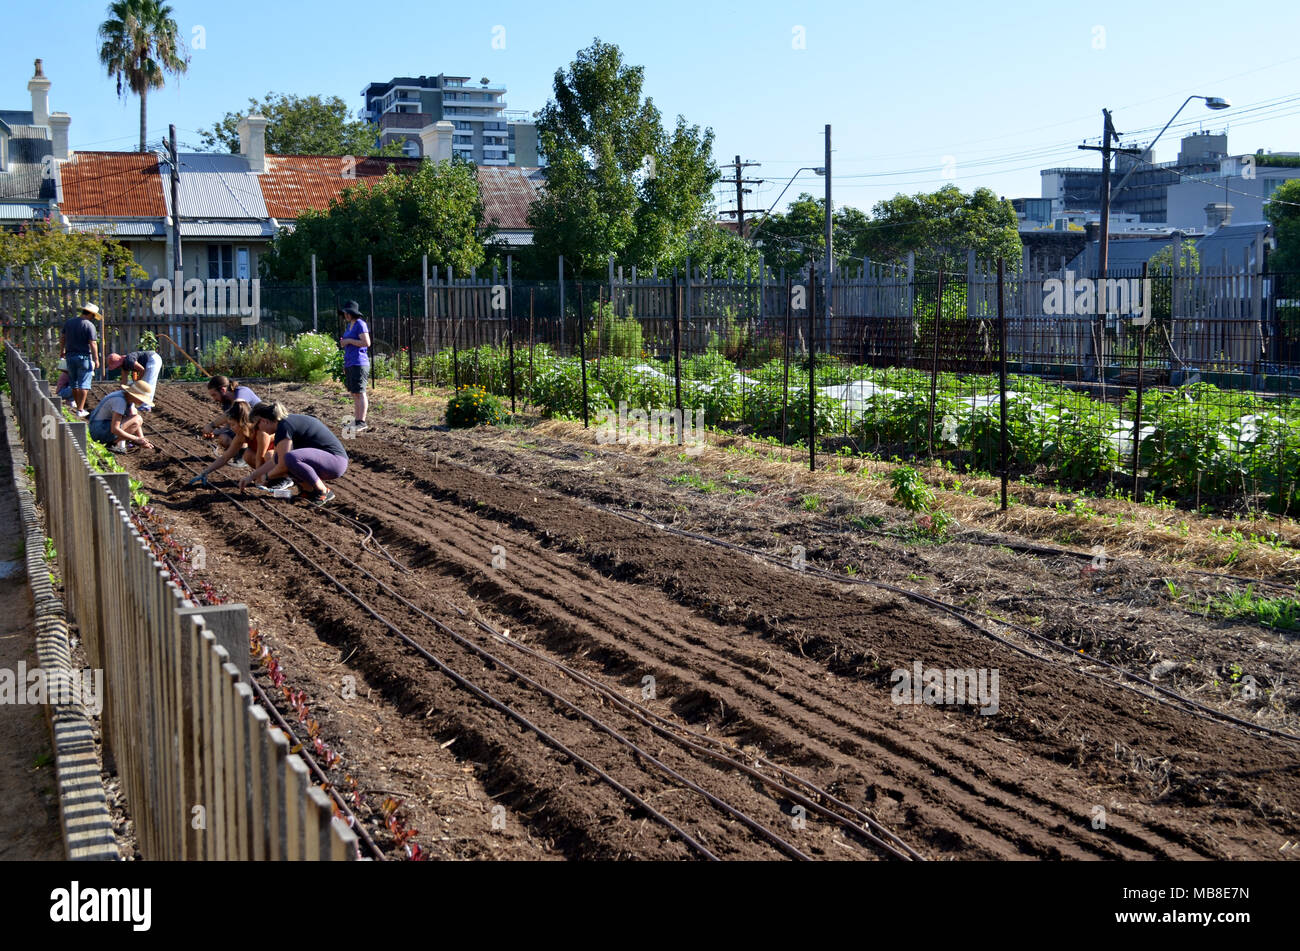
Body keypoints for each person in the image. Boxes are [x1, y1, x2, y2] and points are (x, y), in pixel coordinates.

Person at [240, 401, 347, 506]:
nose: (258, 430)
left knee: (291, 458)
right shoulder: (284, 425)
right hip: (328, 461)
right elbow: (275, 461)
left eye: (256, 427)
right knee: (281, 458)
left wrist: (266, 477)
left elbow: (283, 466)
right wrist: (252, 476)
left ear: (264, 421)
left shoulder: (285, 426)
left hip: (335, 462)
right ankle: (308, 491)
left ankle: (323, 491)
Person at [186, 400, 273, 486]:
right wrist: (205, 472)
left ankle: (279, 479)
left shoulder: (261, 432)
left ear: (242, 422)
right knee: (247, 454)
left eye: (233, 424)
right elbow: (225, 457)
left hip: (280, 459)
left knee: (267, 455)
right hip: (267, 462)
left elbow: (259, 457)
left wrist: (257, 479)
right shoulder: (241, 435)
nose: (231, 428)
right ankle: (267, 477)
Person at [203, 375, 261, 462]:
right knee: (223, 438)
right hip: (249, 430)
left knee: (241, 426)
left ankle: (246, 455)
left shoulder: (242, 392)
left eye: (214, 395)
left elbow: (236, 410)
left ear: (223, 390)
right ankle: (239, 454)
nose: (214, 399)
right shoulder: (226, 404)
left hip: (262, 428)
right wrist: (215, 433)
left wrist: (212, 425)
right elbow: (229, 426)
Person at [59, 303, 101, 417]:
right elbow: (93, 343)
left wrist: (61, 351)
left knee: (74, 383)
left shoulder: (69, 323)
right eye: (93, 316)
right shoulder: (89, 325)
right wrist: (96, 359)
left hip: (70, 357)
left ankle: (79, 408)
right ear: (91, 314)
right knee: (84, 384)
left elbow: (63, 337)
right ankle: (80, 410)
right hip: (83, 357)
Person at [88, 380, 154, 452]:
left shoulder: (128, 399)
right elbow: (115, 429)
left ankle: (111, 444)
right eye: (141, 399)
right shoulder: (120, 400)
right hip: (98, 431)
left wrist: (142, 440)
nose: (143, 402)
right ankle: (111, 444)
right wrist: (136, 439)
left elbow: (136, 423)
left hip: (100, 427)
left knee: (137, 419)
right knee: (137, 418)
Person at [338, 301, 370, 432]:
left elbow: (366, 342)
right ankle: (356, 421)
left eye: (347, 312)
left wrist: (349, 341)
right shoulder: (349, 326)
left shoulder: (360, 324)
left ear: (352, 313)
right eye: (344, 312)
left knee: (360, 392)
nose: (345, 315)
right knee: (354, 393)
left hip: (359, 362)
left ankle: (361, 422)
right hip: (350, 362)